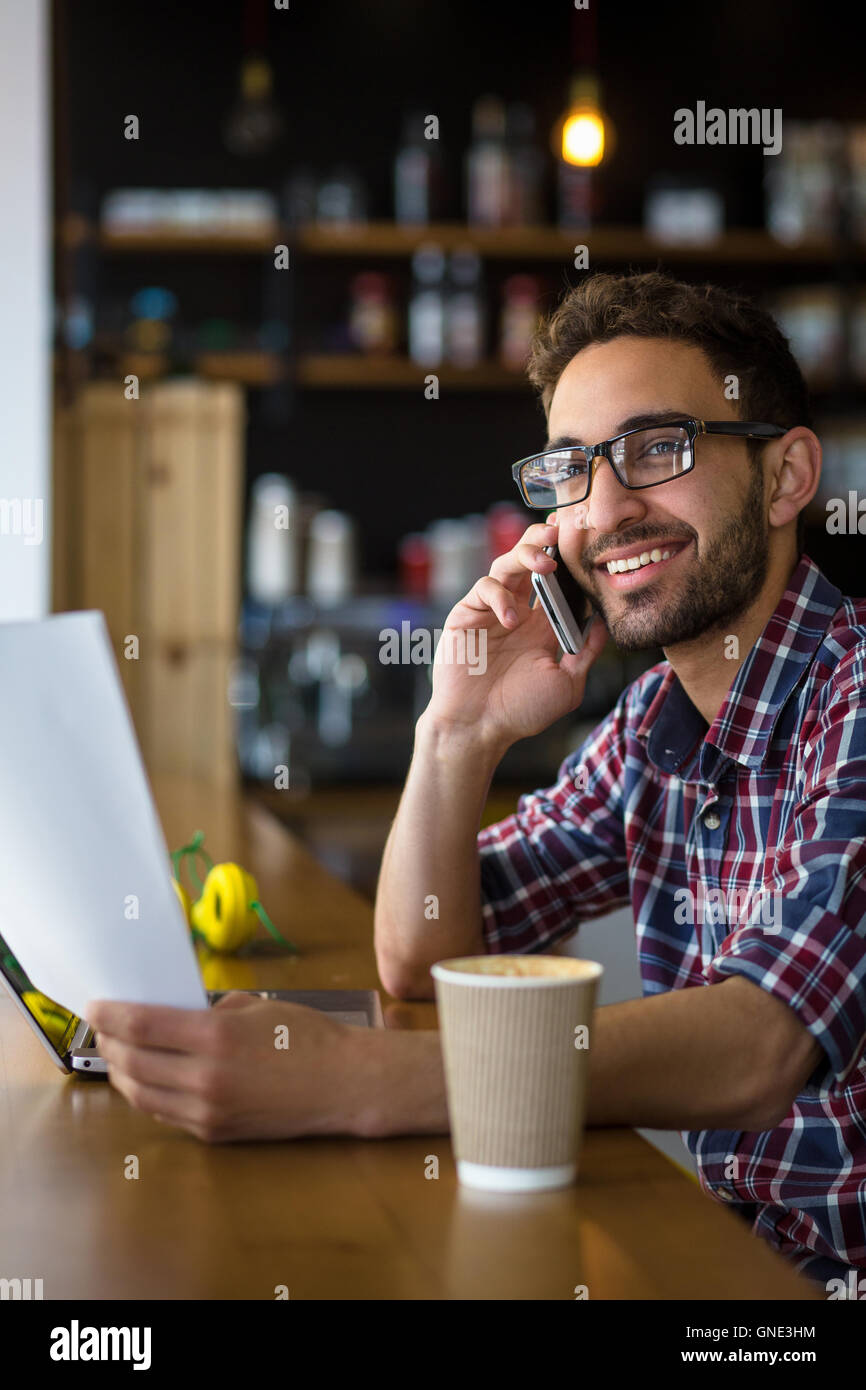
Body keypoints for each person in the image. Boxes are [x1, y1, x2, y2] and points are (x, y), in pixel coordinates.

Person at [88, 271, 866, 1291]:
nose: (605, 508)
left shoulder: (849, 696)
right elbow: (424, 957)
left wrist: (362, 1082)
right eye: (569, 471)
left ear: (784, 475)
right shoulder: (649, 730)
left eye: (655, 448)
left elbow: (762, 1041)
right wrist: (455, 732)